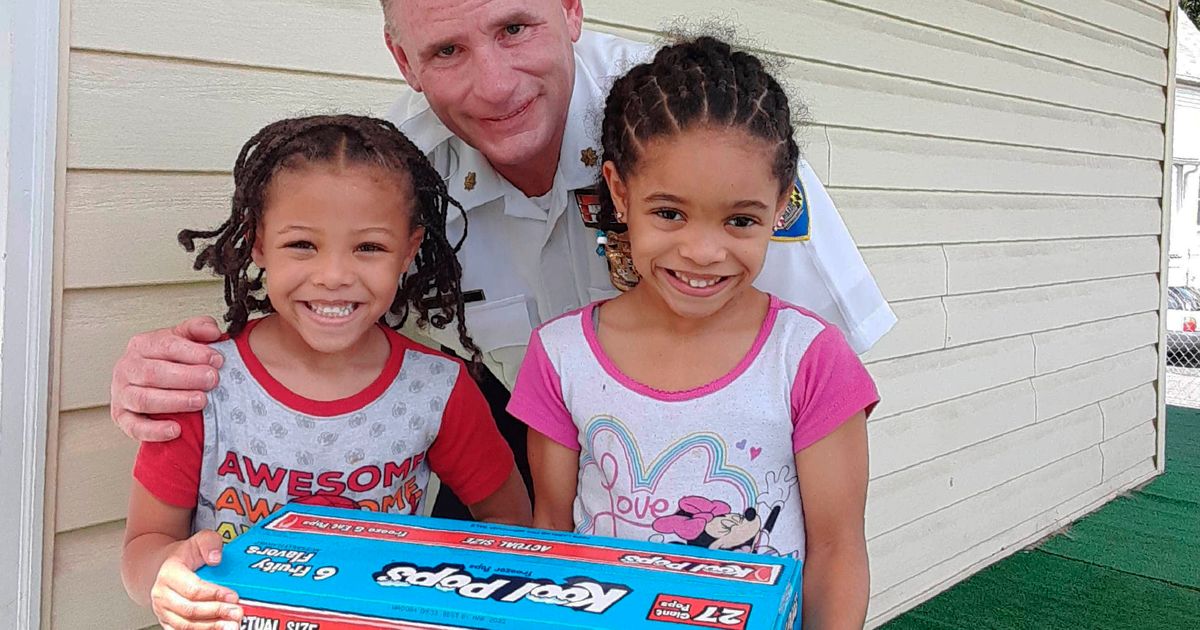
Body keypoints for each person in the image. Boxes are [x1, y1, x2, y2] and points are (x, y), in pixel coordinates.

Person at [108, 0, 894, 519]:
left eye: (515, 26)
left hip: (728, 486)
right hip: (532, 456)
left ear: (571, 8)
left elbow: (822, 386)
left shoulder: (702, 127)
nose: (493, 84)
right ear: (402, 59)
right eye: (447, 49)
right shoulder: (397, 177)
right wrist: (180, 371)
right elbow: (323, 308)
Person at [507, 38, 877, 629]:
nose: (703, 252)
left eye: (740, 220)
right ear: (620, 192)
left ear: (781, 205)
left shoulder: (809, 358)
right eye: (669, 213)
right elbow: (552, 532)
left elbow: (837, 552)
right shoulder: (559, 356)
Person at [120, 115, 532, 629]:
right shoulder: (200, 384)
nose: (334, 276)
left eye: (369, 247)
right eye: (302, 244)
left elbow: (511, 526)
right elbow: (144, 546)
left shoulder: (438, 389)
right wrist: (164, 576)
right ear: (257, 241)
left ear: (408, 250)